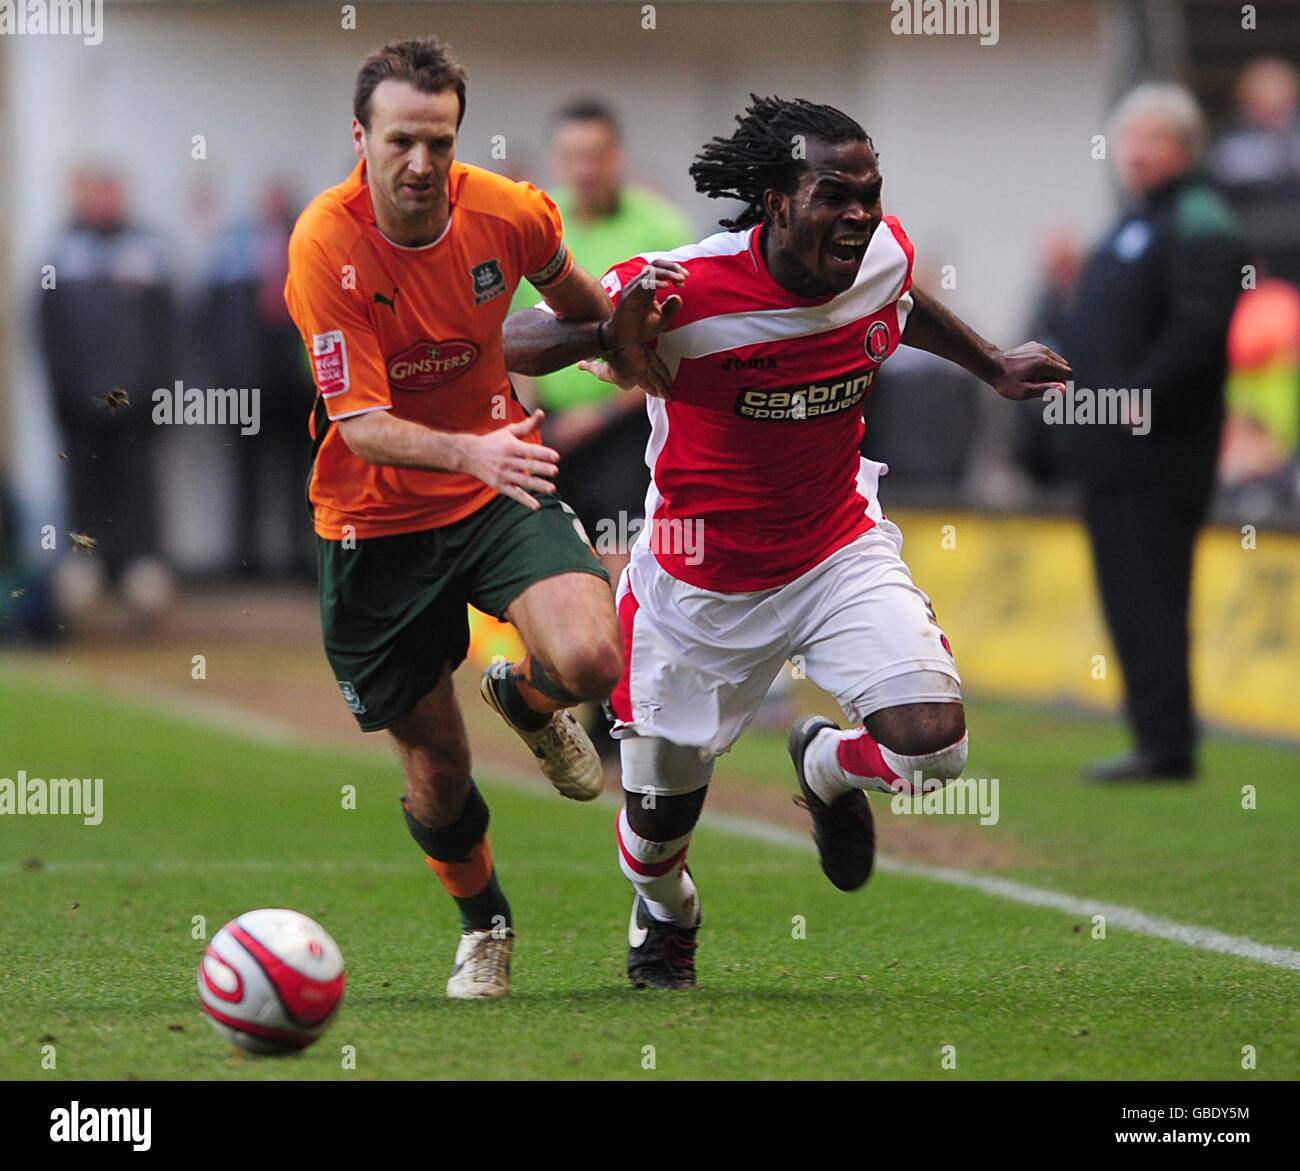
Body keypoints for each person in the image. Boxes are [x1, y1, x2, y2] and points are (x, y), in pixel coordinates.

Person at [505, 95, 1070, 989]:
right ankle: (668, 912)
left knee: (933, 748)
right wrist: (613, 330)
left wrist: (994, 363)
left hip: (834, 548)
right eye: (834, 195)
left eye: (870, 194)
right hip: (700, 583)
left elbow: (900, 303)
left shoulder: (880, 255)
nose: (858, 215)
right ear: (775, 200)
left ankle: (824, 765)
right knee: (652, 847)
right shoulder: (684, 284)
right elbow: (519, 338)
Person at [282, 37, 677, 1000]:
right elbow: (364, 426)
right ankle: (485, 922)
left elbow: (584, 309)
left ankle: (531, 698)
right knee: (438, 766)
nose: (422, 164)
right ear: (362, 137)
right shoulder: (324, 244)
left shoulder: (509, 211)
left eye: (441, 141)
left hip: (498, 487)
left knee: (593, 658)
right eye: (402, 141)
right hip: (375, 521)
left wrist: (631, 346)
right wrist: (473, 449)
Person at [1056, 83, 1247, 782]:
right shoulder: (1137, 222)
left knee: (1153, 595)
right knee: (1128, 596)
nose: (1132, 154)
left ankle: (1168, 746)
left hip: (1159, 455)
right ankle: (1153, 736)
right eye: (1127, 141)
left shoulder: (1198, 221)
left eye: (1149, 140)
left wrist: (1129, 405)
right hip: (1114, 454)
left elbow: (1198, 335)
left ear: (1183, 146)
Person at [511, 100, 695, 760]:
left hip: (626, 425)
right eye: (573, 157)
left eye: (598, 155)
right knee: (569, 575)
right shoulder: (537, 222)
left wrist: (600, 410)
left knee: (624, 574)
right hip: (549, 432)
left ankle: (623, 721)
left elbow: (673, 341)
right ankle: (571, 706)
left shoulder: (660, 225)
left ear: (618, 157)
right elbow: (513, 335)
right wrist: (532, 416)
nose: (586, 168)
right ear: (558, 161)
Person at [39, 167, 178, 622]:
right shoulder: (61, 255)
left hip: (137, 411)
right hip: (81, 412)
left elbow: (166, 333)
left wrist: (155, 395)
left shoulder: (147, 253)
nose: (105, 202)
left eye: (111, 192)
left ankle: (142, 590)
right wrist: (68, 396)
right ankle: (86, 593)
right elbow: (49, 335)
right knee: (84, 498)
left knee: (138, 499)